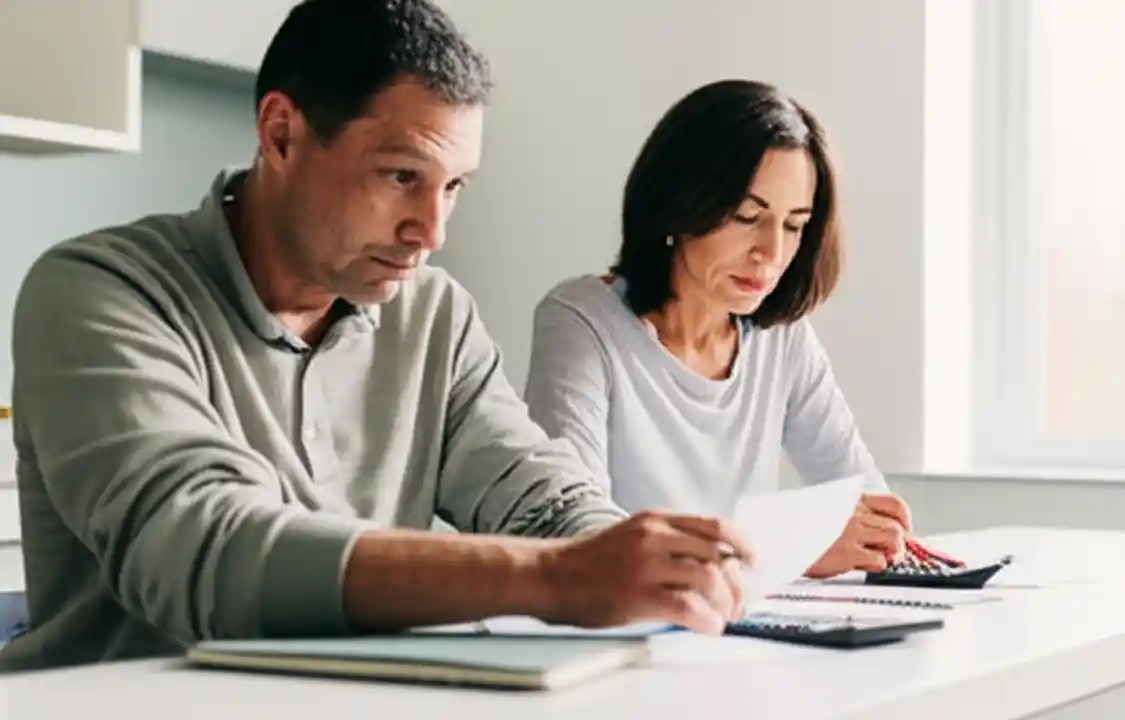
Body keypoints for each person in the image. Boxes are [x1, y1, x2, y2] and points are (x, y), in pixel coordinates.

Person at [0, 0, 753, 672]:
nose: (432, 230)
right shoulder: (97, 293)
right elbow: (208, 551)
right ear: (281, 133)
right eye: (401, 176)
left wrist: (651, 569)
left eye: (454, 187)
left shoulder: (435, 316)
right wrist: (556, 579)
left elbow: (544, 500)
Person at [525, 80, 914, 578]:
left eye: (794, 225)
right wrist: (793, 547)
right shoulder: (581, 322)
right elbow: (579, 540)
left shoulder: (783, 339)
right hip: (629, 636)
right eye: (746, 217)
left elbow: (863, 499)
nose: (771, 253)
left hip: (745, 634)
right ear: (679, 205)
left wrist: (883, 533)